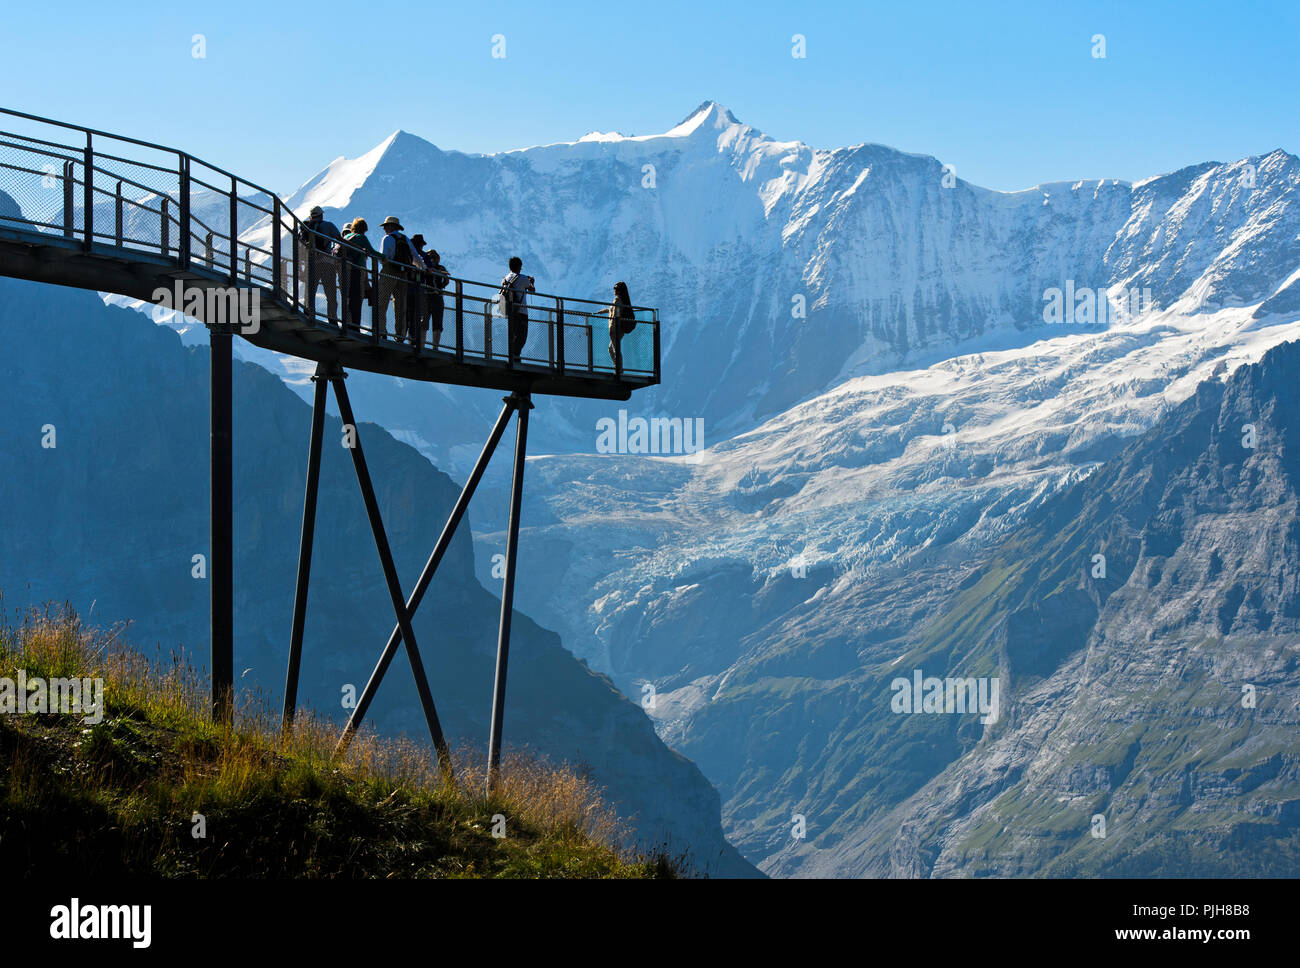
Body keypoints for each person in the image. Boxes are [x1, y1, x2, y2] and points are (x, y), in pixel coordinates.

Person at [298, 205, 344, 324]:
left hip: (312, 262)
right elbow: (339, 240)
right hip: (327, 262)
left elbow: (300, 246)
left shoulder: (305, 228)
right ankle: (332, 319)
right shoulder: (328, 225)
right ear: (321, 215)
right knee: (330, 293)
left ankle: (308, 313)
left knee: (310, 291)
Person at [378, 215, 416, 341]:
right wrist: (424, 268)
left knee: (382, 302)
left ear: (390, 226)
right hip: (403, 274)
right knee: (400, 305)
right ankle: (400, 335)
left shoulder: (387, 238)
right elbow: (415, 256)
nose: (384, 229)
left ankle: (381, 330)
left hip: (389, 271)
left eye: (386, 227)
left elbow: (384, 257)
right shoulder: (405, 239)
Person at [337, 218, 378, 333]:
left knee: (348, 297)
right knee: (357, 298)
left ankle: (347, 323)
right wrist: (385, 258)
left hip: (345, 270)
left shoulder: (347, 237)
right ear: (364, 228)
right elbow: (372, 252)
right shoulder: (361, 238)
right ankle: (355, 326)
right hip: (357, 270)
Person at [414, 242, 450, 350]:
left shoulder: (424, 267)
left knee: (424, 322)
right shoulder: (440, 268)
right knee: (436, 323)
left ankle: (422, 345)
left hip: (426, 295)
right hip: (437, 296)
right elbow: (447, 280)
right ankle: (435, 347)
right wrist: (441, 287)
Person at [499, 256, 535, 363]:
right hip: (521, 311)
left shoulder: (504, 279)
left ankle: (513, 356)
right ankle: (516, 357)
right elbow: (532, 290)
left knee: (513, 334)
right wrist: (532, 281)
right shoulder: (522, 278)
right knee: (522, 336)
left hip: (509, 311)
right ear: (519, 267)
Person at [607, 280, 635, 373]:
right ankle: (617, 367)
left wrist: (612, 328)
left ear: (619, 291)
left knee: (615, 349)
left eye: (615, 289)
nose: (614, 291)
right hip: (619, 328)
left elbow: (616, 313)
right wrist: (605, 310)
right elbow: (615, 309)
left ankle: (618, 369)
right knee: (612, 348)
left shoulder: (617, 300)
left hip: (615, 328)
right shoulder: (622, 300)